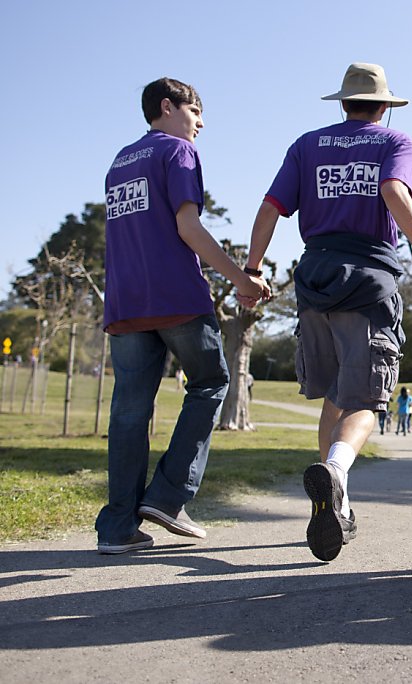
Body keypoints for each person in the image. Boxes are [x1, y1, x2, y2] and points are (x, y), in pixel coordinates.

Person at [244, 63, 412, 562]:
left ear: (343, 103)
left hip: (315, 279)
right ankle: (337, 475)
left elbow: (270, 207)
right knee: (366, 399)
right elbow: (394, 193)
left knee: (334, 396)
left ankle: (337, 506)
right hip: (366, 281)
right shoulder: (395, 143)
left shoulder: (307, 144)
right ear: (384, 107)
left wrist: (253, 269)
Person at [96, 77, 269, 555]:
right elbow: (188, 227)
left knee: (130, 411)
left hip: (126, 302)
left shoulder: (119, 162)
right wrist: (240, 277)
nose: (201, 123)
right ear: (168, 107)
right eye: (196, 111)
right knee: (211, 380)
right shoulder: (177, 152)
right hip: (175, 296)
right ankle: (169, 497)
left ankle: (117, 529)